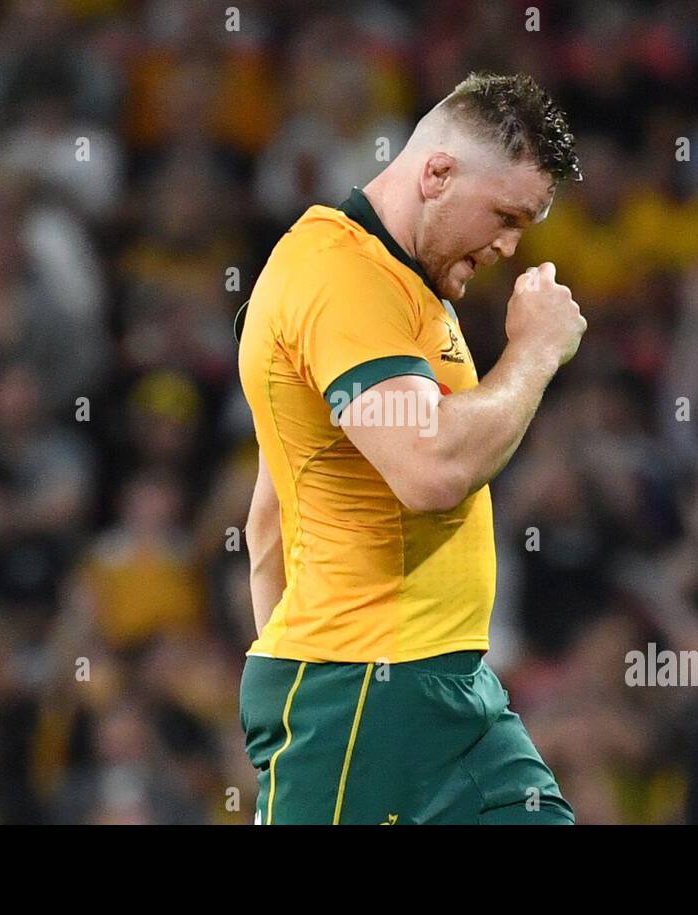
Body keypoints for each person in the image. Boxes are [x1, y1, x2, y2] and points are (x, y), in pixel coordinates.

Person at [236, 72, 585, 824]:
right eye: (505, 216)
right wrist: (533, 351)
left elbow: (270, 513)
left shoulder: (402, 290)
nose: (508, 246)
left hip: (444, 689)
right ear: (437, 173)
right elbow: (430, 469)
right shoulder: (341, 277)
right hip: (362, 692)